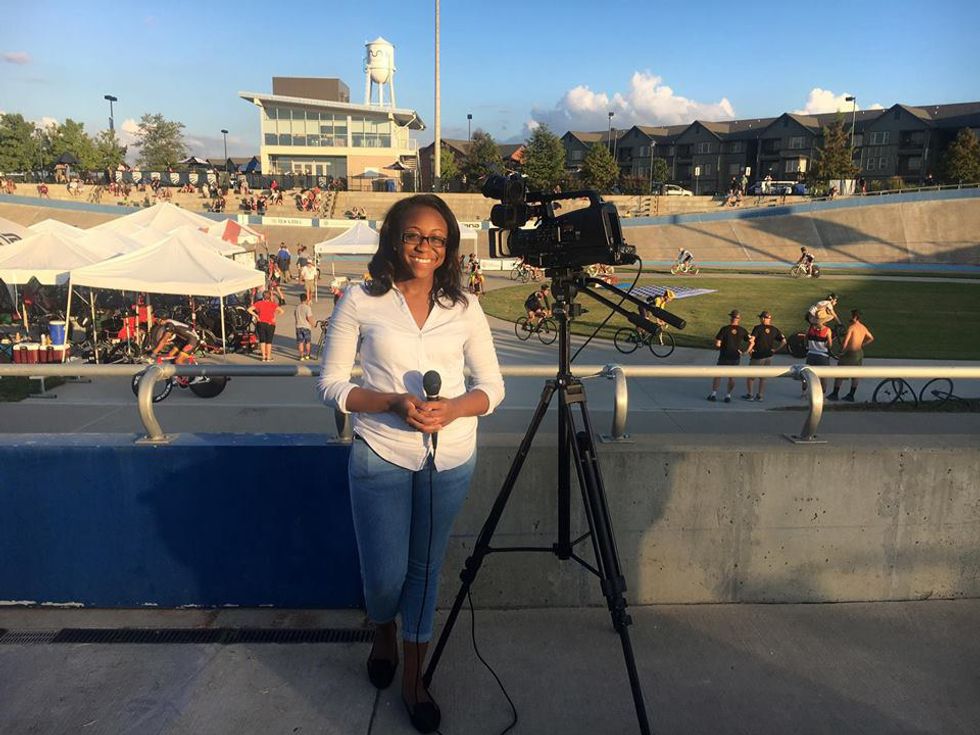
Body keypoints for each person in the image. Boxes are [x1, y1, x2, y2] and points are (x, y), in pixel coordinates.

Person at [317, 194, 504, 734]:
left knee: (426, 568)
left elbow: (492, 387)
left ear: (450, 247)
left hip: (451, 456)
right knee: (384, 574)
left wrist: (454, 409)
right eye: (414, 236)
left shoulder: (465, 307)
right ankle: (383, 633)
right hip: (380, 452)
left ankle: (416, 678)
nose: (426, 247)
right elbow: (331, 385)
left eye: (438, 239)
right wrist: (393, 403)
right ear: (394, 240)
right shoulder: (361, 299)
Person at [827, 310, 875, 401]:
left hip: (849, 354)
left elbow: (845, 342)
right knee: (855, 375)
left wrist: (841, 351)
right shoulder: (863, 327)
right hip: (859, 353)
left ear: (854, 317)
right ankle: (851, 395)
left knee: (840, 374)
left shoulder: (852, 328)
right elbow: (871, 338)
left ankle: (835, 394)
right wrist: (861, 345)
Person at [708, 310, 752, 403]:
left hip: (724, 355)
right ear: (739, 319)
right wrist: (745, 352)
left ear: (731, 318)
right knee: (731, 377)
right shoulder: (742, 330)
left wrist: (718, 347)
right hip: (735, 356)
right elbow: (752, 341)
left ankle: (713, 394)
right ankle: (728, 395)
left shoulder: (725, 329)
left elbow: (718, 343)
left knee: (718, 375)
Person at [743, 311, 785, 401]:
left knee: (750, 377)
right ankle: (760, 396)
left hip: (757, 356)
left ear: (763, 318)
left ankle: (750, 395)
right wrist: (776, 349)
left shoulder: (757, 328)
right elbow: (784, 341)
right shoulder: (774, 329)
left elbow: (752, 340)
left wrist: (748, 350)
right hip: (768, 356)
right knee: (763, 377)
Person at [248, 290, 283, 362]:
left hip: (261, 323)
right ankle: (268, 357)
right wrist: (274, 316)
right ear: (270, 297)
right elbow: (282, 311)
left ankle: (263, 357)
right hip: (270, 323)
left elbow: (249, 309)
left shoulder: (259, 303)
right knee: (269, 341)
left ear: (263, 297)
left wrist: (256, 316)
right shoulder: (272, 304)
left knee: (262, 340)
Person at [802, 319, 834, 396]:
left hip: (811, 354)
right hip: (823, 356)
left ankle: (804, 392)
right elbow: (830, 345)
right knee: (823, 377)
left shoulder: (809, 328)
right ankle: (822, 394)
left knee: (807, 375)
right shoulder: (827, 330)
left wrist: (808, 346)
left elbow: (805, 341)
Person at [294, 292, 314, 361]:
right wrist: (313, 324)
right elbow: (309, 317)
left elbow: (295, 317)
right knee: (307, 342)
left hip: (298, 326)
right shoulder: (307, 308)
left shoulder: (297, 308)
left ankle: (301, 356)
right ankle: (307, 355)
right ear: (306, 299)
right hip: (306, 327)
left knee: (300, 342)